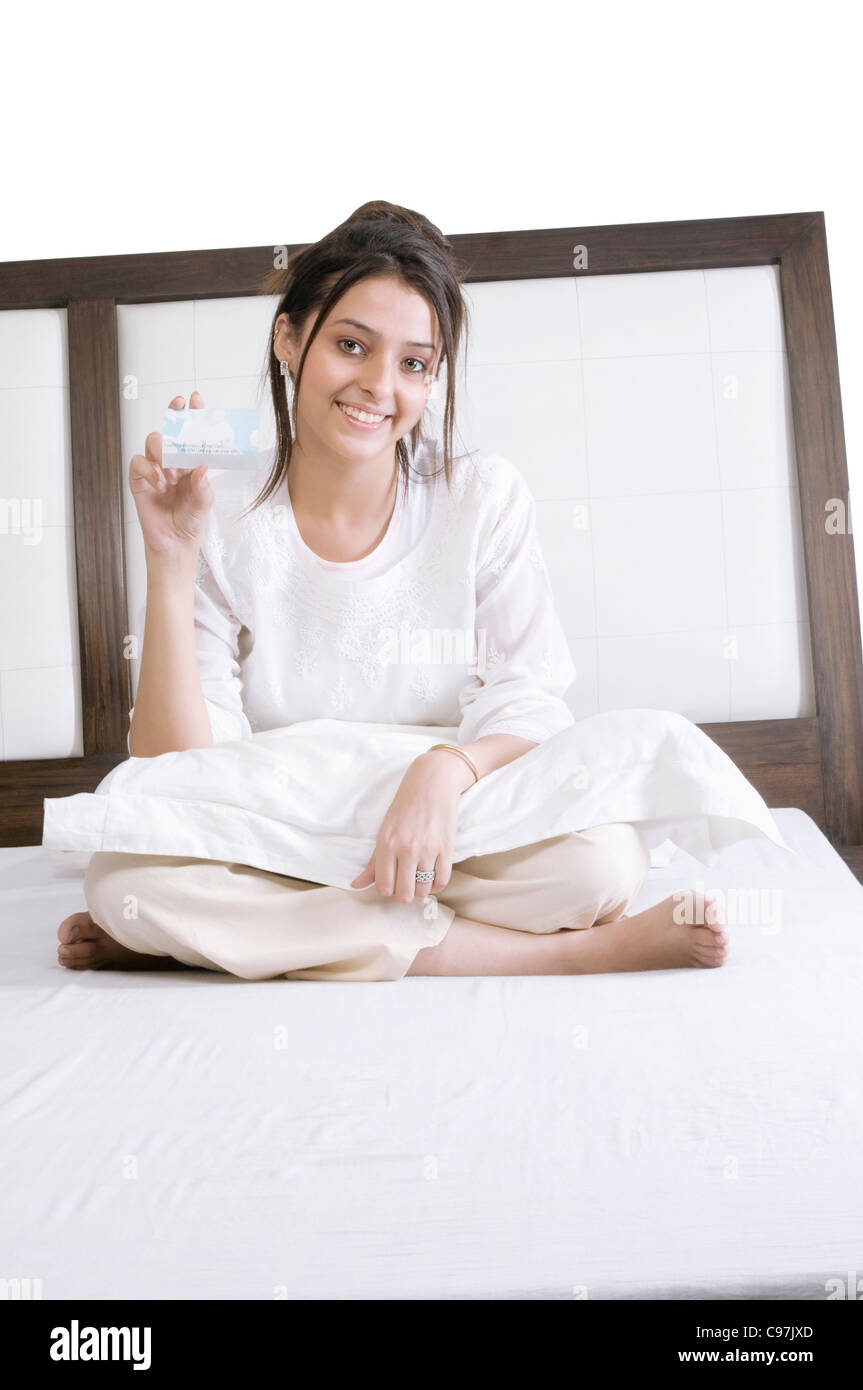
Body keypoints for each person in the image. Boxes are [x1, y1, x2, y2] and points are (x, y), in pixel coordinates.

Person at [57, 200, 728, 981]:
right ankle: (580, 953)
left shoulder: (480, 495)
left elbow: (530, 698)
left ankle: (222, 939)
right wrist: (171, 558)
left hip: (450, 814)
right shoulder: (223, 503)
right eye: (350, 345)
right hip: (278, 816)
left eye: (413, 363)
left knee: (600, 863)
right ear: (288, 337)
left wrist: (442, 771)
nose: (379, 387)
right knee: (126, 881)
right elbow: (177, 767)